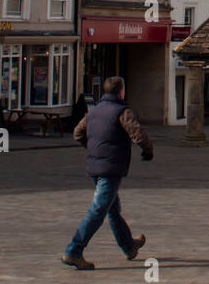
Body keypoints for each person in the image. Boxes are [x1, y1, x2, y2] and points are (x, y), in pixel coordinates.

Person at [61, 76, 152, 270]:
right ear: (121, 91)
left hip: (94, 166)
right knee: (98, 210)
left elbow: (77, 133)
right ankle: (73, 250)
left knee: (112, 209)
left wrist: (93, 148)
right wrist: (147, 151)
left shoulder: (93, 112)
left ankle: (128, 245)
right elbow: (138, 134)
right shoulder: (122, 111)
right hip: (111, 168)